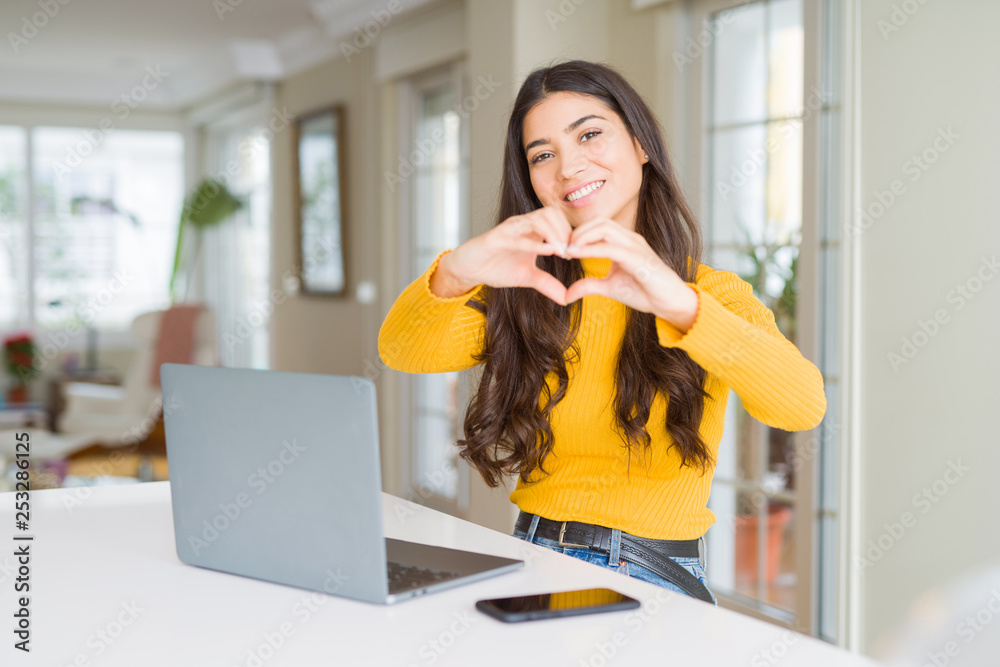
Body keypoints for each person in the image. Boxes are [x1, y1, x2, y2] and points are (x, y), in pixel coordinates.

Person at [378, 59, 827, 605]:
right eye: (542, 154)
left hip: (648, 569)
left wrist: (679, 305)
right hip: (531, 553)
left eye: (589, 134)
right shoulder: (527, 291)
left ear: (640, 144)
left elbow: (802, 406)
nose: (568, 167)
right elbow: (402, 350)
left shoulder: (709, 294)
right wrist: (456, 271)